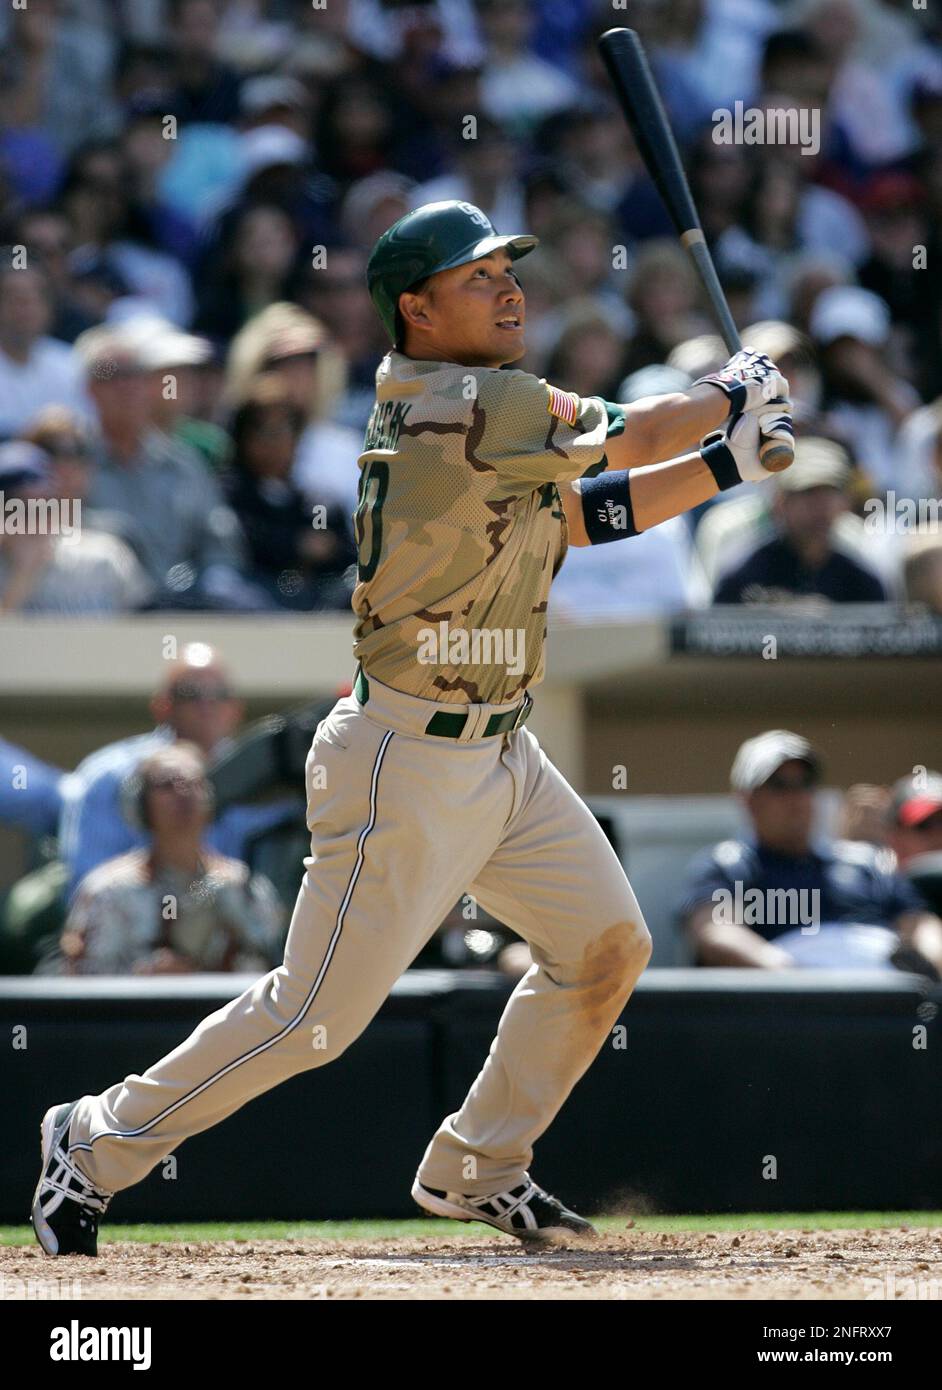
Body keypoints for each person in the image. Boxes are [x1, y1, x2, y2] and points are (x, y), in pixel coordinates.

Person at [31, 199, 794, 1256]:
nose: (511, 289)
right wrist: (731, 390)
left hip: (499, 749)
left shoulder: (480, 407)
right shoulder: (470, 402)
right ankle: (92, 1138)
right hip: (405, 759)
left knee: (606, 944)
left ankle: (481, 1162)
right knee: (313, 1019)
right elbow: (635, 430)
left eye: (509, 270)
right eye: (480, 278)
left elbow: (581, 513)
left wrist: (728, 465)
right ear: (418, 310)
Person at [677, 730, 942, 975]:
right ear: (748, 799)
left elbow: (920, 924)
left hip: (885, 1002)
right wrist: (795, 979)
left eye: (805, 783)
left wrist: (930, 962)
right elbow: (715, 932)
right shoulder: (729, 865)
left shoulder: (866, 864)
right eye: (779, 785)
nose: (797, 798)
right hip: (796, 1009)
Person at [57, 642, 294, 899]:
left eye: (219, 694)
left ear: (236, 709)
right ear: (162, 706)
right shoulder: (110, 775)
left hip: (231, 927)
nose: (207, 704)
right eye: (190, 693)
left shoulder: (263, 774)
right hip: (133, 929)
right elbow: (87, 891)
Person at [39, 743, 284, 978]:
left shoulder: (242, 888)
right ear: (140, 805)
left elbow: (273, 973)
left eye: (194, 784)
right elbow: (79, 980)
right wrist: (144, 979)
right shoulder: (109, 892)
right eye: (167, 785)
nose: (183, 794)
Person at [712, 436, 887, 605]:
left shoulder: (862, 582)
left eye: (829, 494)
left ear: (845, 502)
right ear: (780, 502)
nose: (821, 507)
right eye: (808, 493)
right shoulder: (744, 576)